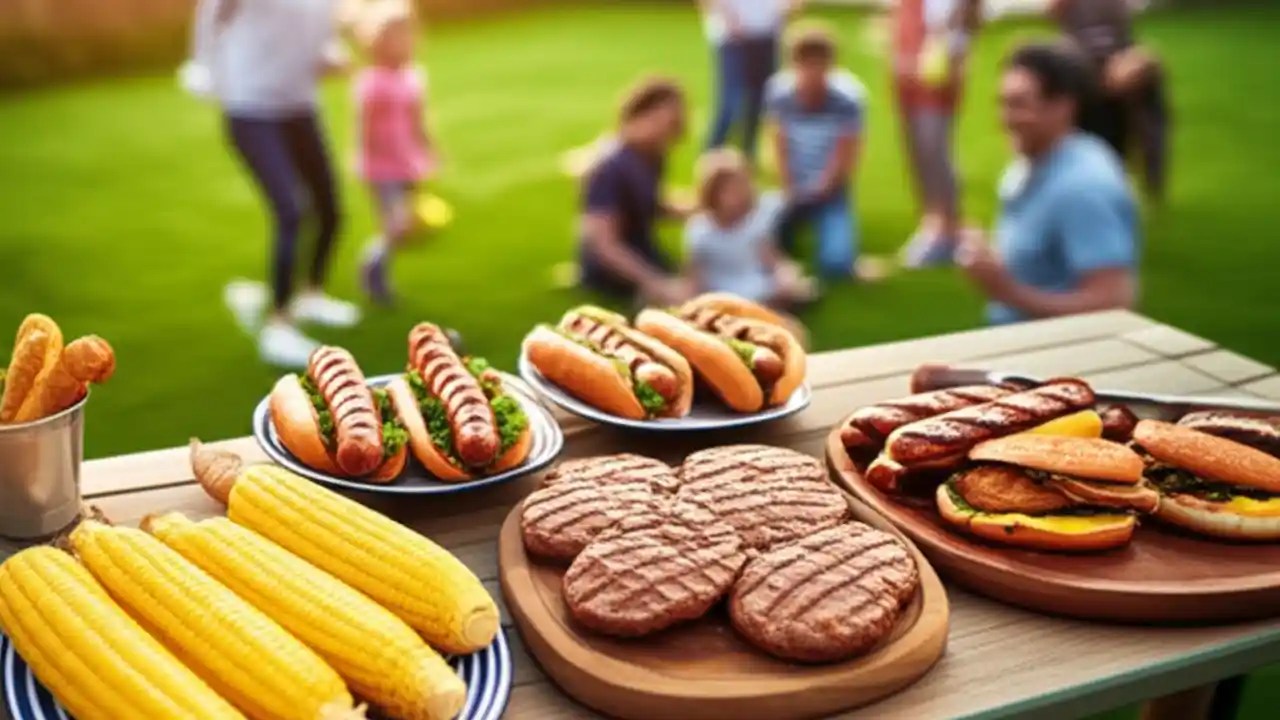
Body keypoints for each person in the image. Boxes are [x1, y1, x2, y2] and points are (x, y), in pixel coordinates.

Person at [185, 0, 358, 367]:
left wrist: (329, 54)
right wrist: (202, 65)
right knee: (292, 211)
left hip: (300, 107)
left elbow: (319, 31)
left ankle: (311, 293)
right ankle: (278, 325)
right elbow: (212, 11)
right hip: (251, 109)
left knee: (330, 208)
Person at [958, 43, 1139, 324]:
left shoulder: (1084, 189)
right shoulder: (1034, 159)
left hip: (1058, 359)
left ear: (1063, 106)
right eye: (1003, 103)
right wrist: (990, 259)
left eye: (1019, 105)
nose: (1005, 119)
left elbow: (1113, 302)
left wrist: (1007, 292)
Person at [352, 0, 439, 305]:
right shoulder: (372, 83)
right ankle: (372, 269)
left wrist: (429, 150)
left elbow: (418, 119)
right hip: (381, 167)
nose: (403, 42)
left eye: (407, 34)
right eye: (394, 36)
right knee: (394, 225)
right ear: (376, 42)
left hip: (407, 163)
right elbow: (364, 129)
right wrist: (368, 164)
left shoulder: (413, 76)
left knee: (404, 226)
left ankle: (381, 267)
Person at [578, 78, 694, 305]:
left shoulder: (652, 155)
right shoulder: (610, 166)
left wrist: (704, 207)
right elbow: (604, 245)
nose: (670, 136)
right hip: (614, 269)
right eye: (668, 124)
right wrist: (655, 282)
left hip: (644, 250)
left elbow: (649, 204)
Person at [766, 25, 867, 280]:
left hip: (830, 191)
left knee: (836, 262)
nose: (813, 73)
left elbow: (847, 152)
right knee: (757, 239)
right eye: (806, 65)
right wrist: (790, 186)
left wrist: (824, 187)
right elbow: (778, 143)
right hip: (793, 187)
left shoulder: (849, 97)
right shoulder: (779, 93)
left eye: (819, 65)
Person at [893, 0, 983, 268]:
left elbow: (965, 23)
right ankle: (933, 224)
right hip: (909, 65)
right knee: (917, 148)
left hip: (936, 68)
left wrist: (955, 56)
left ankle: (948, 227)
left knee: (933, 146)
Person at [1050, 0, 1170, 200]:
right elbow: (1054, 13)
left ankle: (1151, 181)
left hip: (1119, 55)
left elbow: (1128, 25)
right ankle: (1095, 174)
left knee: (1144, 72)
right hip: (1078, 58)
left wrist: (1133, 61)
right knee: (1084, 86)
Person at [683, 148, 816, 308]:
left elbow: (771, 257)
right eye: (729, 191)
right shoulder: (701, 231)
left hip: (753, 281)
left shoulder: (753, 222)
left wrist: (784, 273)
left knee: (785, 287)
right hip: (721, 288)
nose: (739, 196)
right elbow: (694, 274)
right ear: (711, 194)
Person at [700, 0, 795, 162]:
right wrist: (729, 19)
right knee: (732, 103)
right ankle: (711, 156)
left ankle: (747, 159)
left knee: (759, 103)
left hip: (766, 36)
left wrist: (784, 11)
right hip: (733, 38)